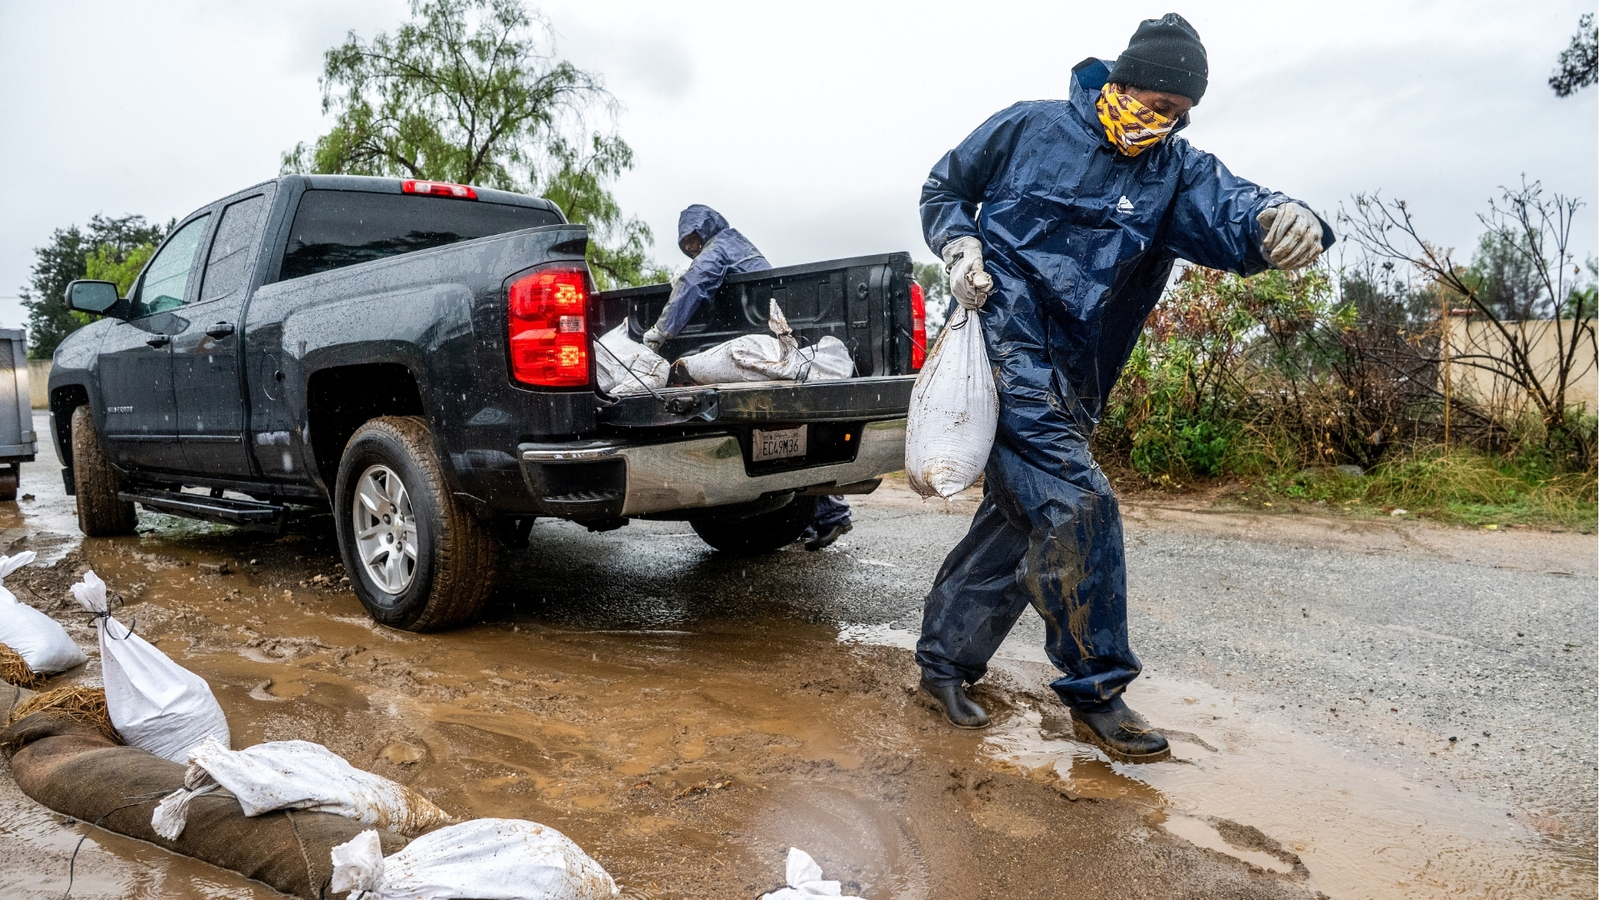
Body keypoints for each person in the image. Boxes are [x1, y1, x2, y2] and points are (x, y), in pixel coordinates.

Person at [913, 13, 1331, 763]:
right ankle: (1097, 691)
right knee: (1076, 503)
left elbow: (1235, 210)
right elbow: (944, 186)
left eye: (1182, 118)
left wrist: (1286, 216)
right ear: (1126, 81)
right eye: (1164, 108)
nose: (1167, 125)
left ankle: (943, 663)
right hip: (1002, 349)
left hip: (1077, 376)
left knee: (1018, 519)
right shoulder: (1026, 128)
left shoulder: (1173, 173)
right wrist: (958, 241)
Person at [647, 204, 855, 551]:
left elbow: (694, 285)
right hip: (771, 337)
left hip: (759, 346)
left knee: (780, 439)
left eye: (694, 240)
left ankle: (831, 514)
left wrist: (660, 331)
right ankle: (825, 516)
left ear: (705, 229)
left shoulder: (721, 247)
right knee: (791, 437)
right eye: (688, 246)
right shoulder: (736, 244)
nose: (694, 249)